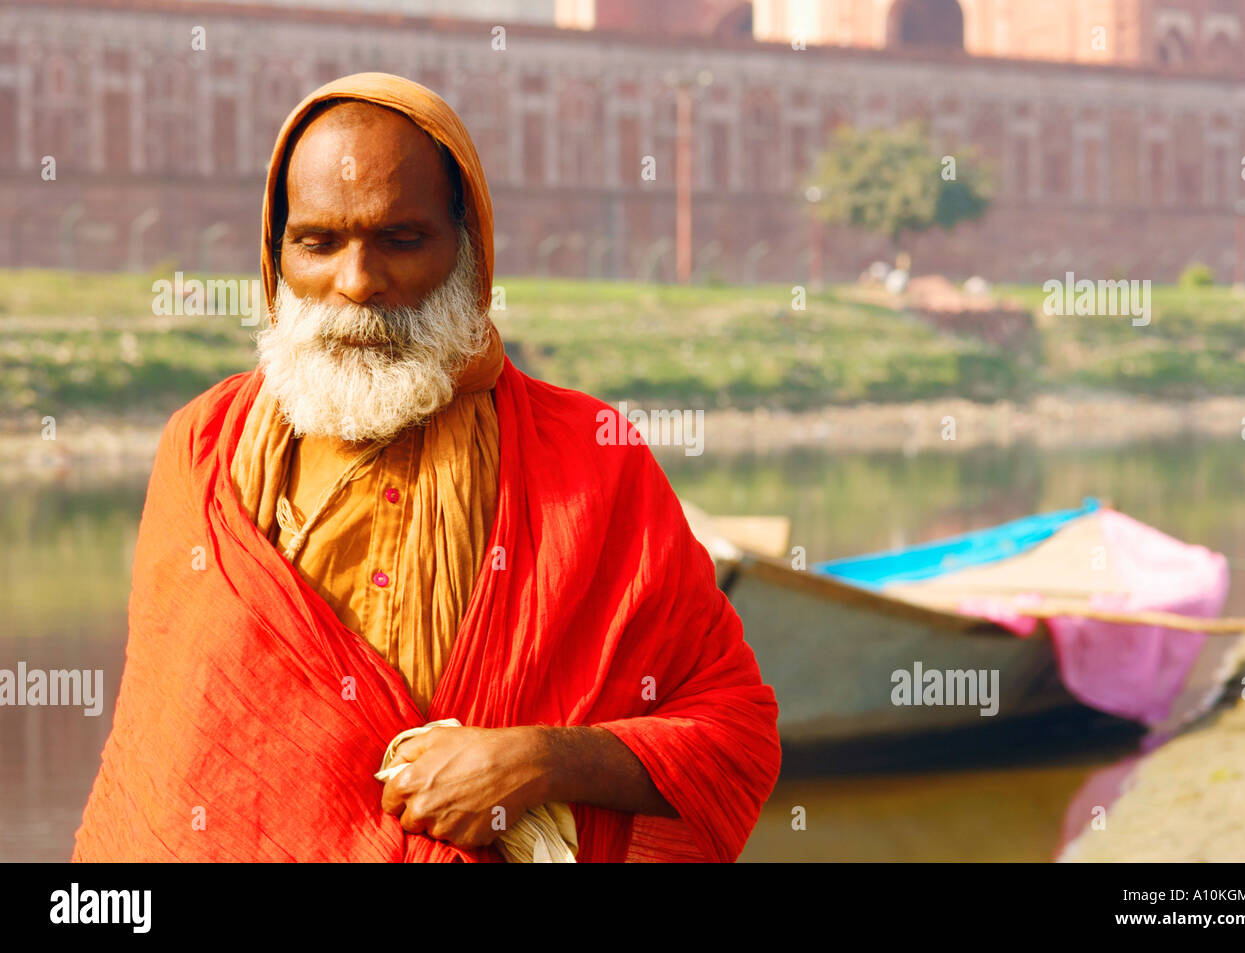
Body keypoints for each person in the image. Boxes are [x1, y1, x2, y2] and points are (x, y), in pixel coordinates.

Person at [72, 72, 781, 863]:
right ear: (275, 257)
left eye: (401, 240)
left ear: (468, 252)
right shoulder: (204, 451)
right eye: (318, 243)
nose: (357, 282)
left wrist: (540, 758)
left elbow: (733, 734)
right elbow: (167, 767)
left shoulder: (589, 458)